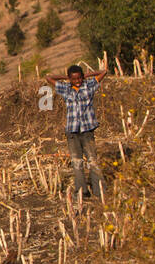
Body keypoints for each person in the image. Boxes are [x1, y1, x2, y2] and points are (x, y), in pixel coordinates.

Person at [44, 64, 108, 203]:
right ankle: (82, 191)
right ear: (70, 79)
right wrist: (66, 78)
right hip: (72, 131)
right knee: (77, 162)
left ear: (83, 77)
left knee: (92, 160)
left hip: (87, 130)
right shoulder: (65, 88)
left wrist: (87, 75)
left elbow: (104, 72)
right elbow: (49, 77)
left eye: (79, 78)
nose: (77, 81)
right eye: (74, 79)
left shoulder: (89, 85)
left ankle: (99, 191)